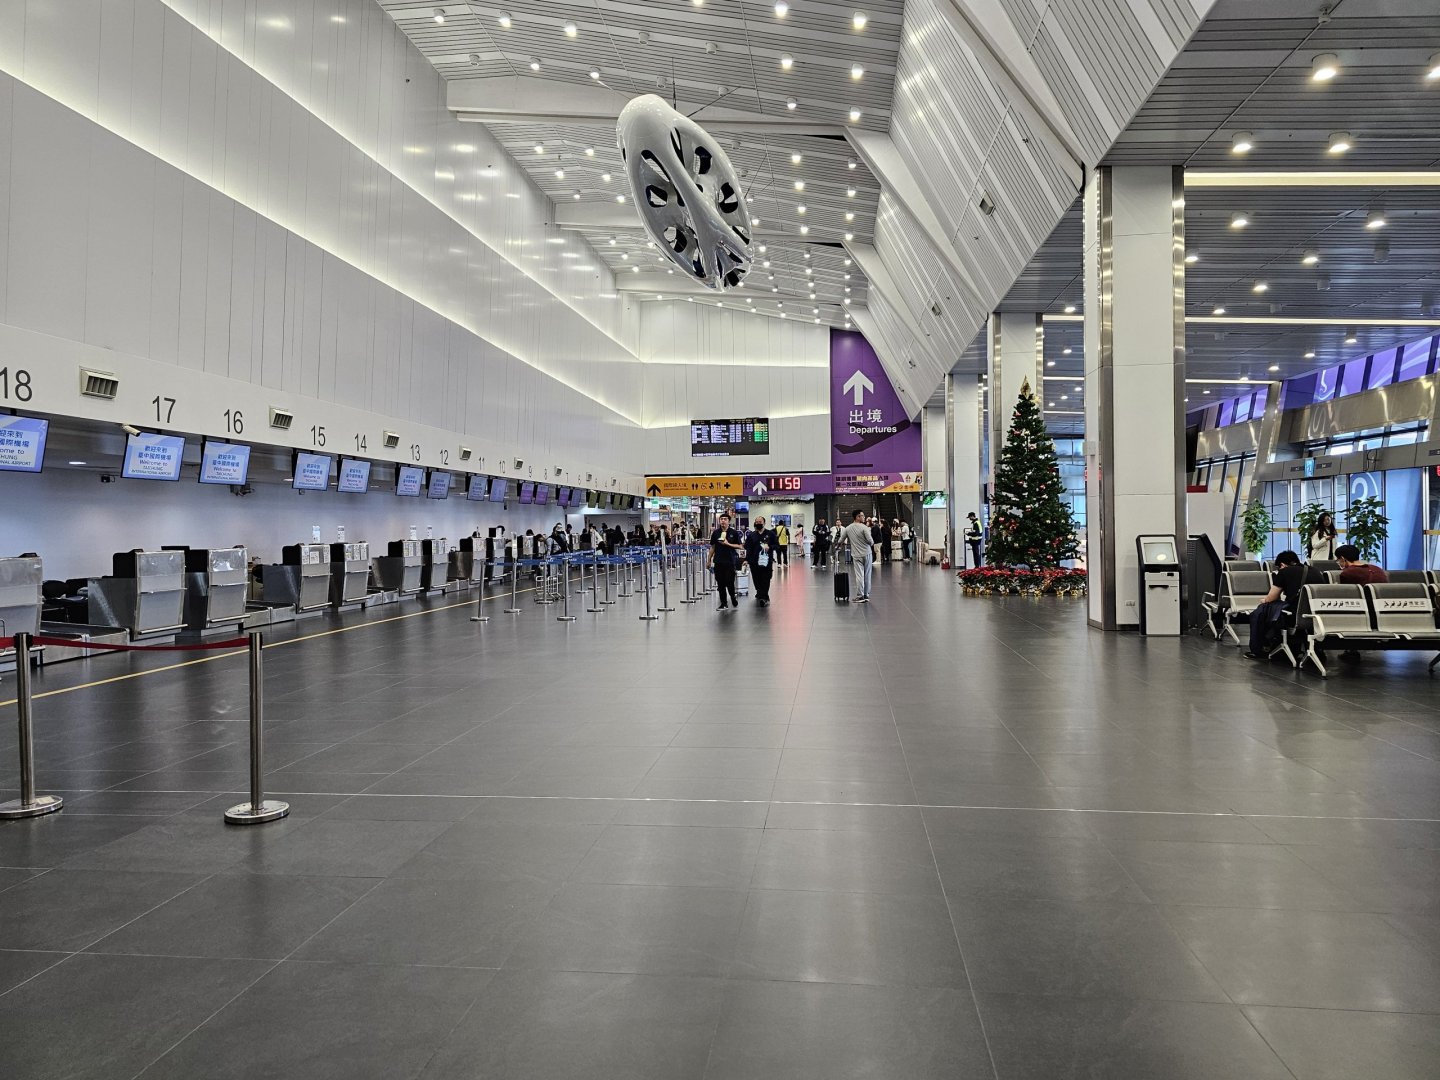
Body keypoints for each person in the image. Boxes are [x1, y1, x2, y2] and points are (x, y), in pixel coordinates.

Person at [1243, 550, 1322, 659]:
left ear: (1282, 565)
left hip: (1294, 616)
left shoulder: (1284, 572)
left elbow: (1272, 597)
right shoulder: (1316, 571)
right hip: (1316, 616)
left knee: (1261, 610)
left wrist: (1264, 600)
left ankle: (1258, 649)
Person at [709, 511, 744, 610]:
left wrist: (728, 544)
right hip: (718, 561)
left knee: (729, 582)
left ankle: (733, 597)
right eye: (721, 519)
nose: (723, 521)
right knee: (720, 584)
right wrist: (709, 560)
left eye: (725, 519)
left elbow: (740, 546)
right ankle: (723, 603)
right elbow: (713, 547)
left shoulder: (734, 533)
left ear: (729, 521)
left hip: (730, 561)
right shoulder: (716, 533)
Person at [744, 515, 780, 606]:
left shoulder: (770, 534)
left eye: (760, 522)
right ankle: (760, 592)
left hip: (766, 561)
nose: (758, 524)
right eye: (757, 522)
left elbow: (777, 545)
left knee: (766, 578)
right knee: (756, 579)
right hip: (754, 561)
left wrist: (770, 547)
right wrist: (746, 560)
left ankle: (764, 597)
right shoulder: (751, 535)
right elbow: (748, 548)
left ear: (764, 523)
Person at [844, 509, 875, 603]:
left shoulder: (848, 528)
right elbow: (871, 541)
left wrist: (838, 546)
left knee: (859, 575)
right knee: (867, 575)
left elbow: (841, 539)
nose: (864, 517)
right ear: (857, 517)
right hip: (867, 554)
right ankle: (866, 595)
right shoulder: (864, 527)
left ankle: (860, 595)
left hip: (856, 555)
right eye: (862, 515)